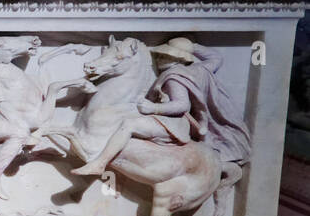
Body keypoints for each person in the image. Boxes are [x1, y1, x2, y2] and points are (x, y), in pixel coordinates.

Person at [73, 37, 251, 176]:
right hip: (174, 120)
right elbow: (216, 58)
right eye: (159, 54)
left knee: (129, 124)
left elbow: (182, 105)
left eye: (166, 56)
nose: (159, 58)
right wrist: (190, 45)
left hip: (173, 123)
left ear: (179, 59)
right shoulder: (198, 69)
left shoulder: (174, 76)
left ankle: (99, 163)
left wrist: (153, 108)